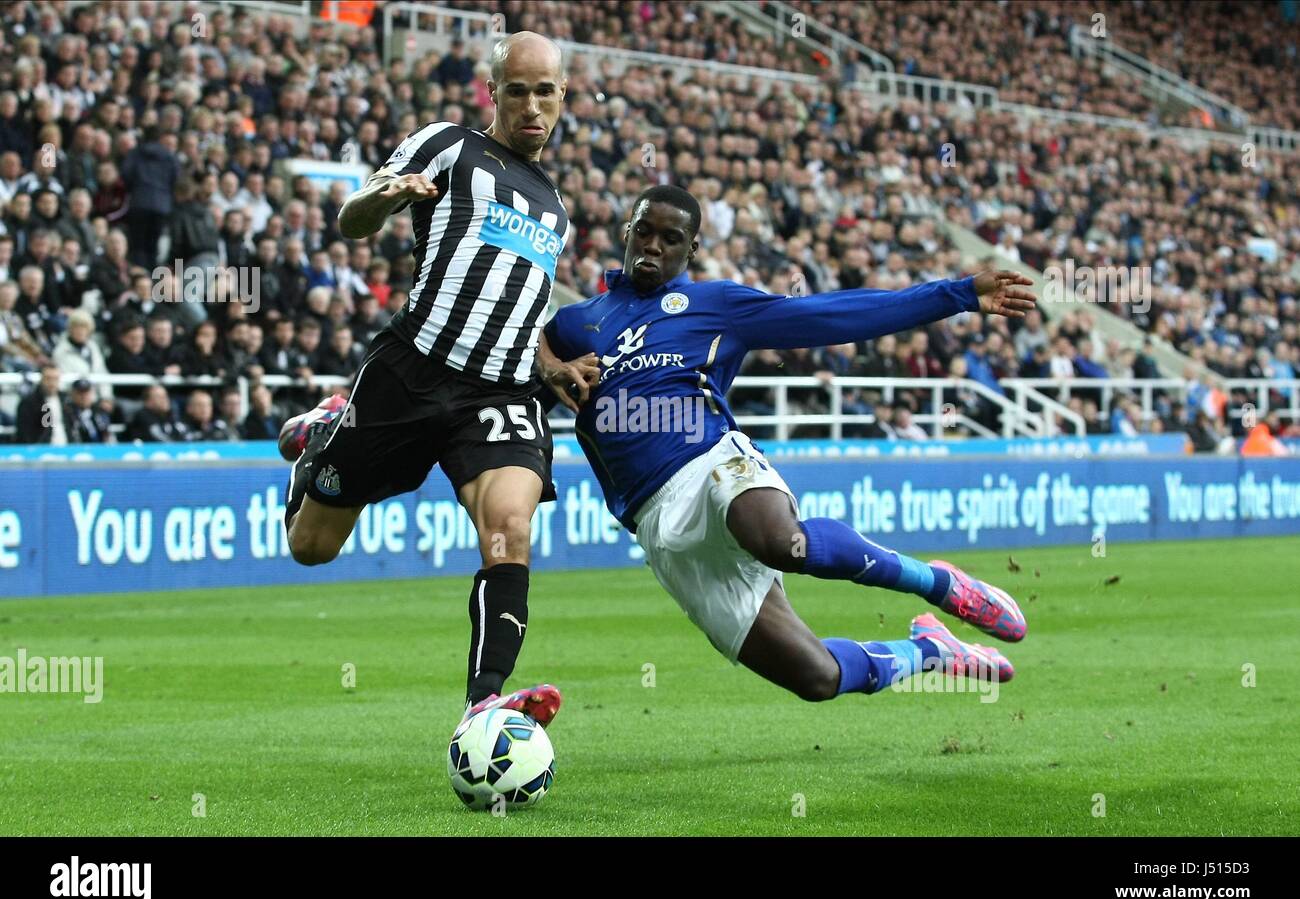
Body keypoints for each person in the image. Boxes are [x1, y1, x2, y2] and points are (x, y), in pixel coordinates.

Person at [545, 187, 1032, 701]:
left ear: (691, 250)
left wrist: (956, 295)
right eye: (643, 231)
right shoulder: (578, 323)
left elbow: (832, 316)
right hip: (654, 522)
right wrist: (549, 367)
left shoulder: (716, 304)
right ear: (626, 231)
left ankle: (937, 584)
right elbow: (518, 369)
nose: (653, 246)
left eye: (671, 238)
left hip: (709, 460)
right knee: (816, 677)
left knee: (780, 541)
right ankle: (930, 651)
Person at [277, 33, 595, 728]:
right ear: (493, 92)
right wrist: (386, 195)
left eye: (546, 91)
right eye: (517, 90)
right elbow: (351, 219)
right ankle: (323, 436)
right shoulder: (448, 144)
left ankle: (485, 702)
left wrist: (550, 366)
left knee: (510, 526)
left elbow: (523, 303)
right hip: (412, 372)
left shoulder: (554, 207)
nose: (532, 106)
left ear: (563, 97)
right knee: (311, 547)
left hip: (501, 392)